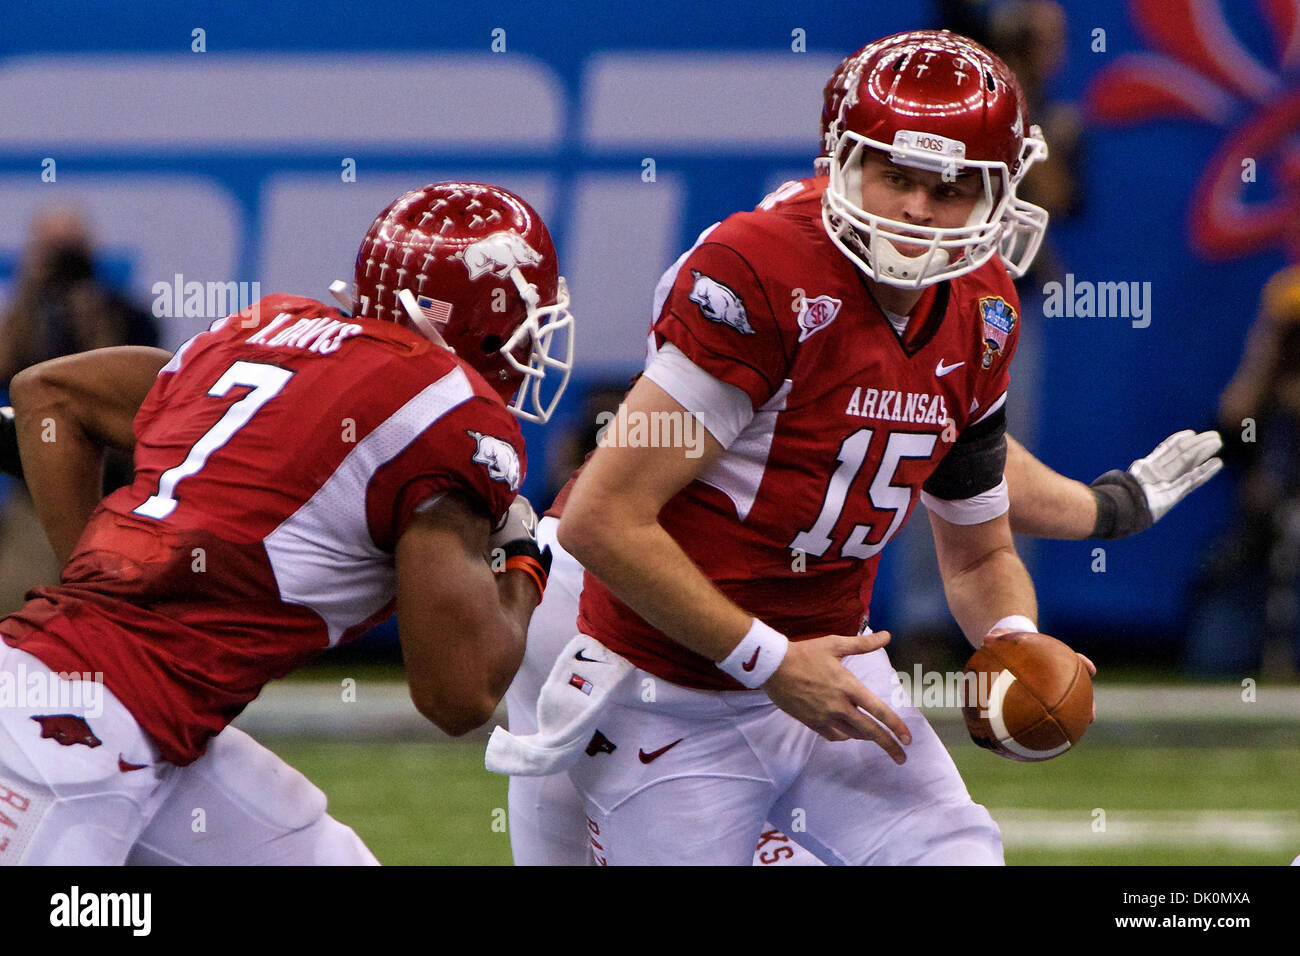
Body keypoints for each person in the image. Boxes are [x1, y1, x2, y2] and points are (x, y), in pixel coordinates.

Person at [497, 34, 1221, 865]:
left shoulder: (982, 307)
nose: (916, 209)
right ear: (842, 164)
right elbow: (602, 519)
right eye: (898, 178)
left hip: (834, 664)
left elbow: (976, 540)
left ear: (998, 192)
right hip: (669, 683)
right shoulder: (763, 275)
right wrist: (769, 663)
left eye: (949, 188)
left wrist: (1016, 641)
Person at [0, 181, 574, 865]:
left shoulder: (264, 333)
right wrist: (524, 560)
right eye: (530, 320)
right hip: (61, 741)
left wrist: (99, 589)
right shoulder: (449, 413)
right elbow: (459, 695)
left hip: (106, 706)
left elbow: (49, 392)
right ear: (485, 322)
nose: (535, 344)